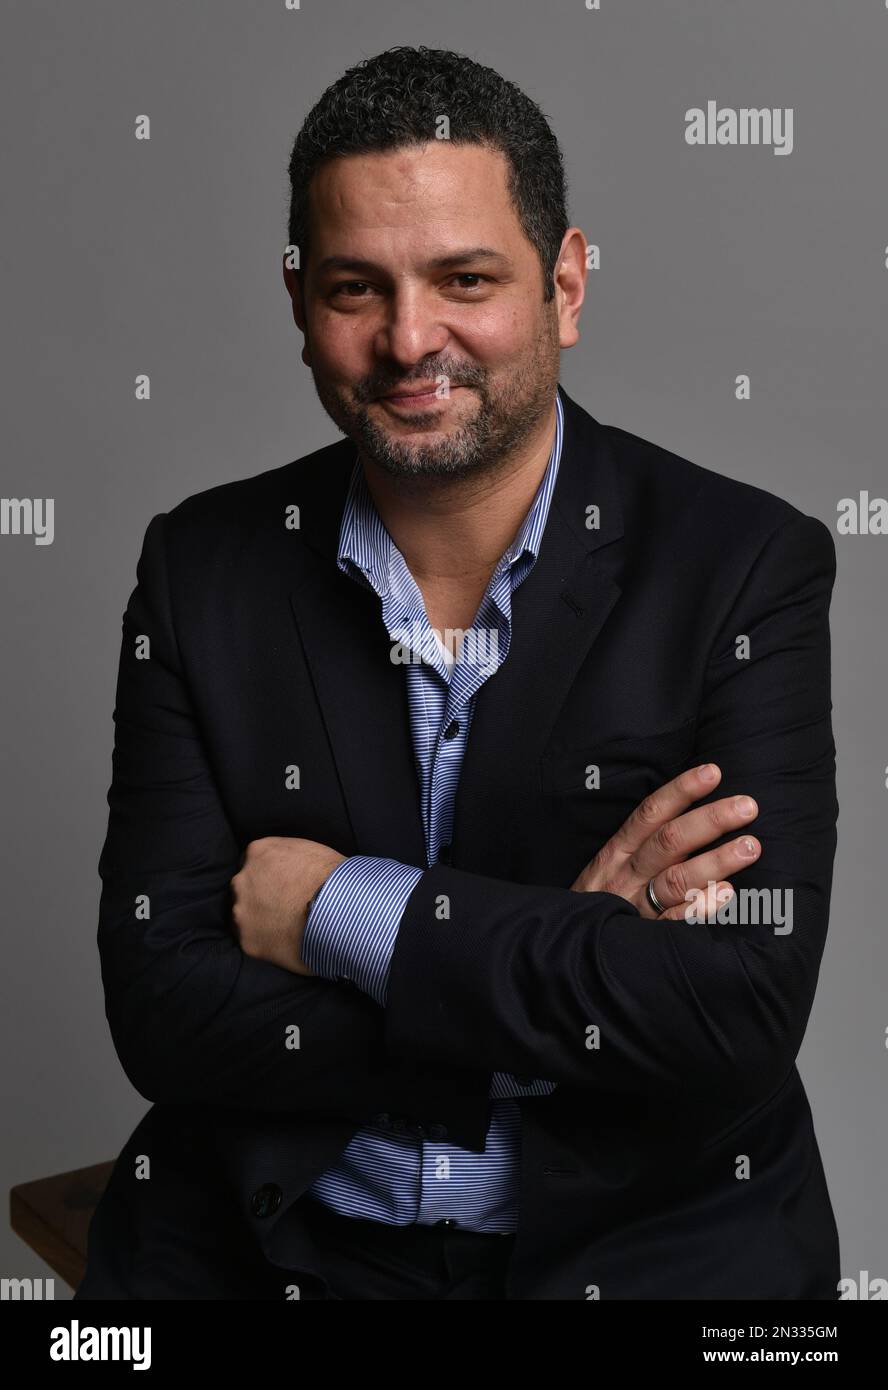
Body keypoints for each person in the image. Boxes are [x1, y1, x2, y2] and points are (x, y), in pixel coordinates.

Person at [75, 45, 839, 1300]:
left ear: (568, 283)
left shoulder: (746, 566)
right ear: (297, 301)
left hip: (652, 1254)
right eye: (354, 288)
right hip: (273, 1245)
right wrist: (570, 965)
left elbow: (741, 1002)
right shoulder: (199, 568)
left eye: (465, 278)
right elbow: (161, 1005)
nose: (409, 339)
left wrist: (338, 912)